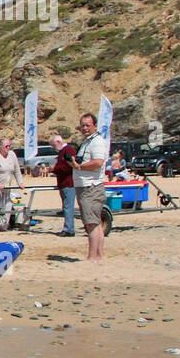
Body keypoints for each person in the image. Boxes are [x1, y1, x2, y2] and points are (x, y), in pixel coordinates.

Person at [71, 112, 109, 261]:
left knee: (91, 224)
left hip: (91, 187)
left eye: (88, 125)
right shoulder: (87, 141)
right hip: (86, 187)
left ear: (95, 126)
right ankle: (99, 255)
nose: (85, 128)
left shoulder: (97, 141)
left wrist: (79, 166)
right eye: (82, 126)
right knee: (95, 223)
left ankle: (92, 257)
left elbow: (98, 162)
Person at [0, 137, 24, 231]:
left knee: (8, 202)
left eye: (9, 146)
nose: (8, 147)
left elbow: (17, 170)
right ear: (1, 147)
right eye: (6, 146)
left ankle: (4, 224)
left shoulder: (12, 155)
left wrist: (20, 182)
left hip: (7, 183)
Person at [49, 133, 78, 236]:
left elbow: (70, 167)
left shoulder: (68, 150)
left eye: (53, 145)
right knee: (66, 206)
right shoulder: (63, 152)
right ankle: (68, 228)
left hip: (68, 183)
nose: (53, 148)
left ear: (58, 142)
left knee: (68, 207)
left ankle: (69, 229)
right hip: (64, 183)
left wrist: (55, 168)